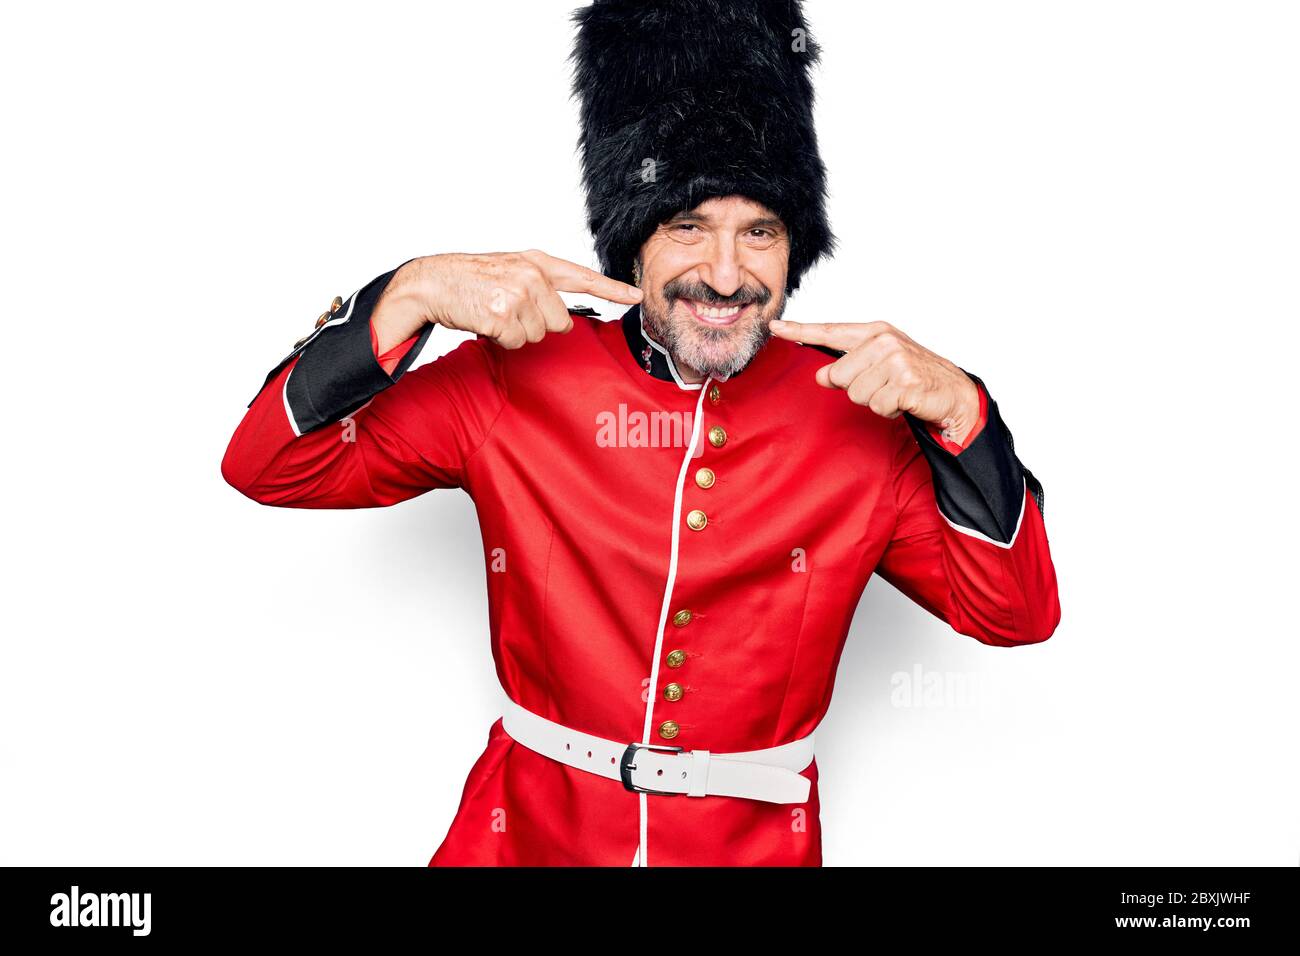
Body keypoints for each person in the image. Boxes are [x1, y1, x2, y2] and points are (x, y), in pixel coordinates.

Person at [221, 0, 1059, 866]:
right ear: (634, 241)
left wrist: (963, 412)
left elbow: (1016, 616)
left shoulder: (859, 414)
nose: (725, 275)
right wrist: (412, 292)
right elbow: (267, 464)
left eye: (759, 233)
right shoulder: (516, 372)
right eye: (688, 225)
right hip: (524, 840)